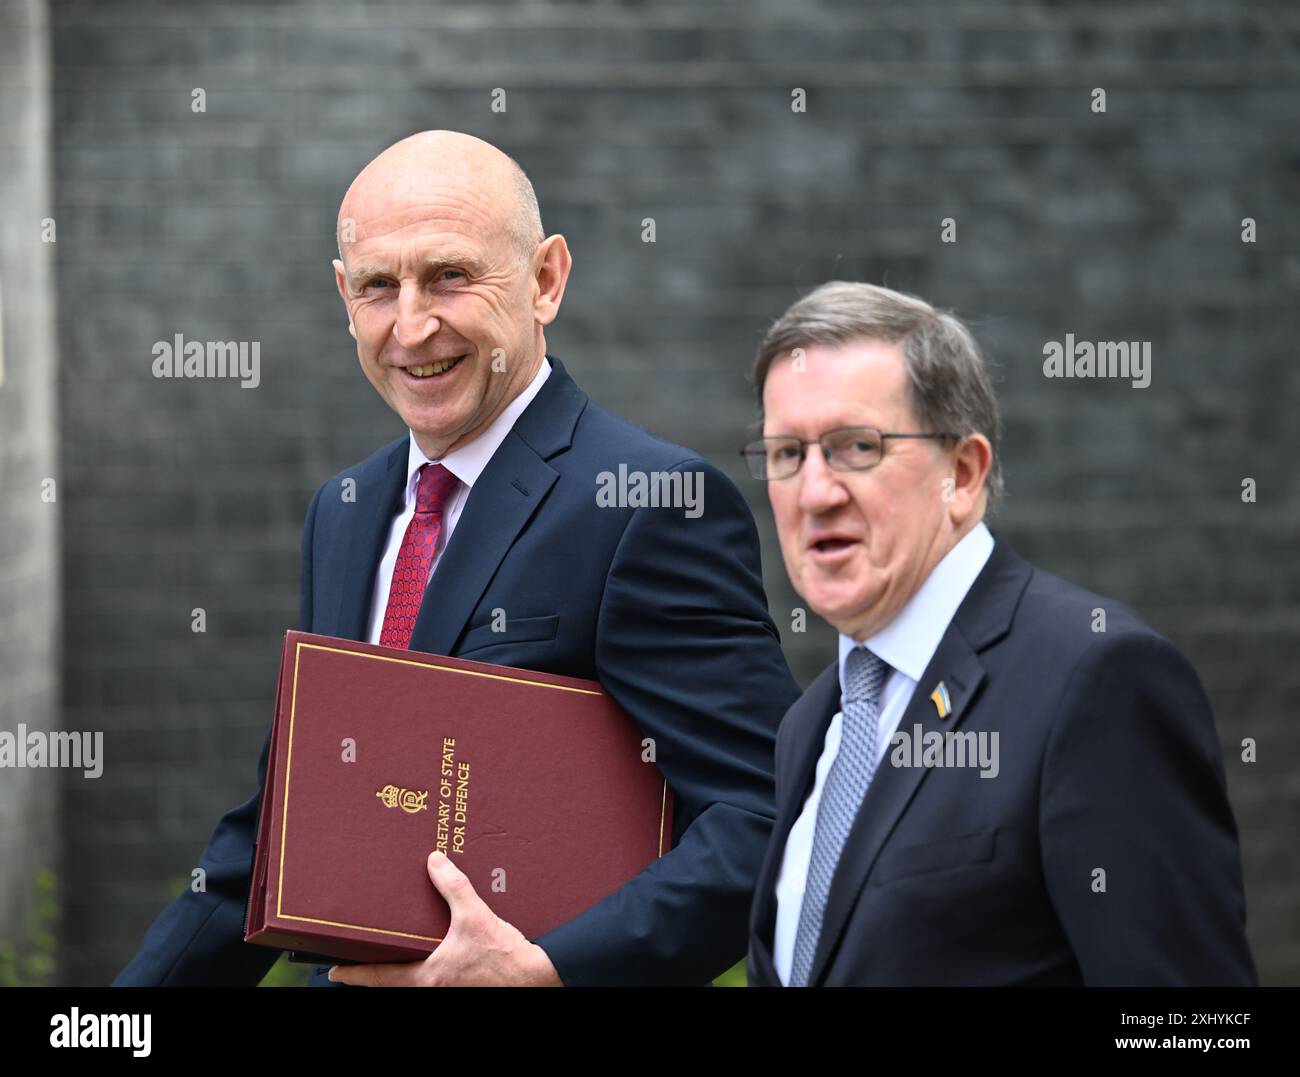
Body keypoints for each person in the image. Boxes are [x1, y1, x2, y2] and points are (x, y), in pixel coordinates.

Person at [114, 130, 800, 987]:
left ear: (546, 280)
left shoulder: (648, 505)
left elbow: (766, 816)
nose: (412, 325)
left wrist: (544, 973)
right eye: (377, 286)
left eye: (449, 275)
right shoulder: (345, 512)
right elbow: (288, 820)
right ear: (343, 296)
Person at [743, 281, 1256, 986]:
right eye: (787, 454)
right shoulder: (811, 725)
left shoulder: (1096, 679)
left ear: (962, 471)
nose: (815, 491)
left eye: (855, 446)